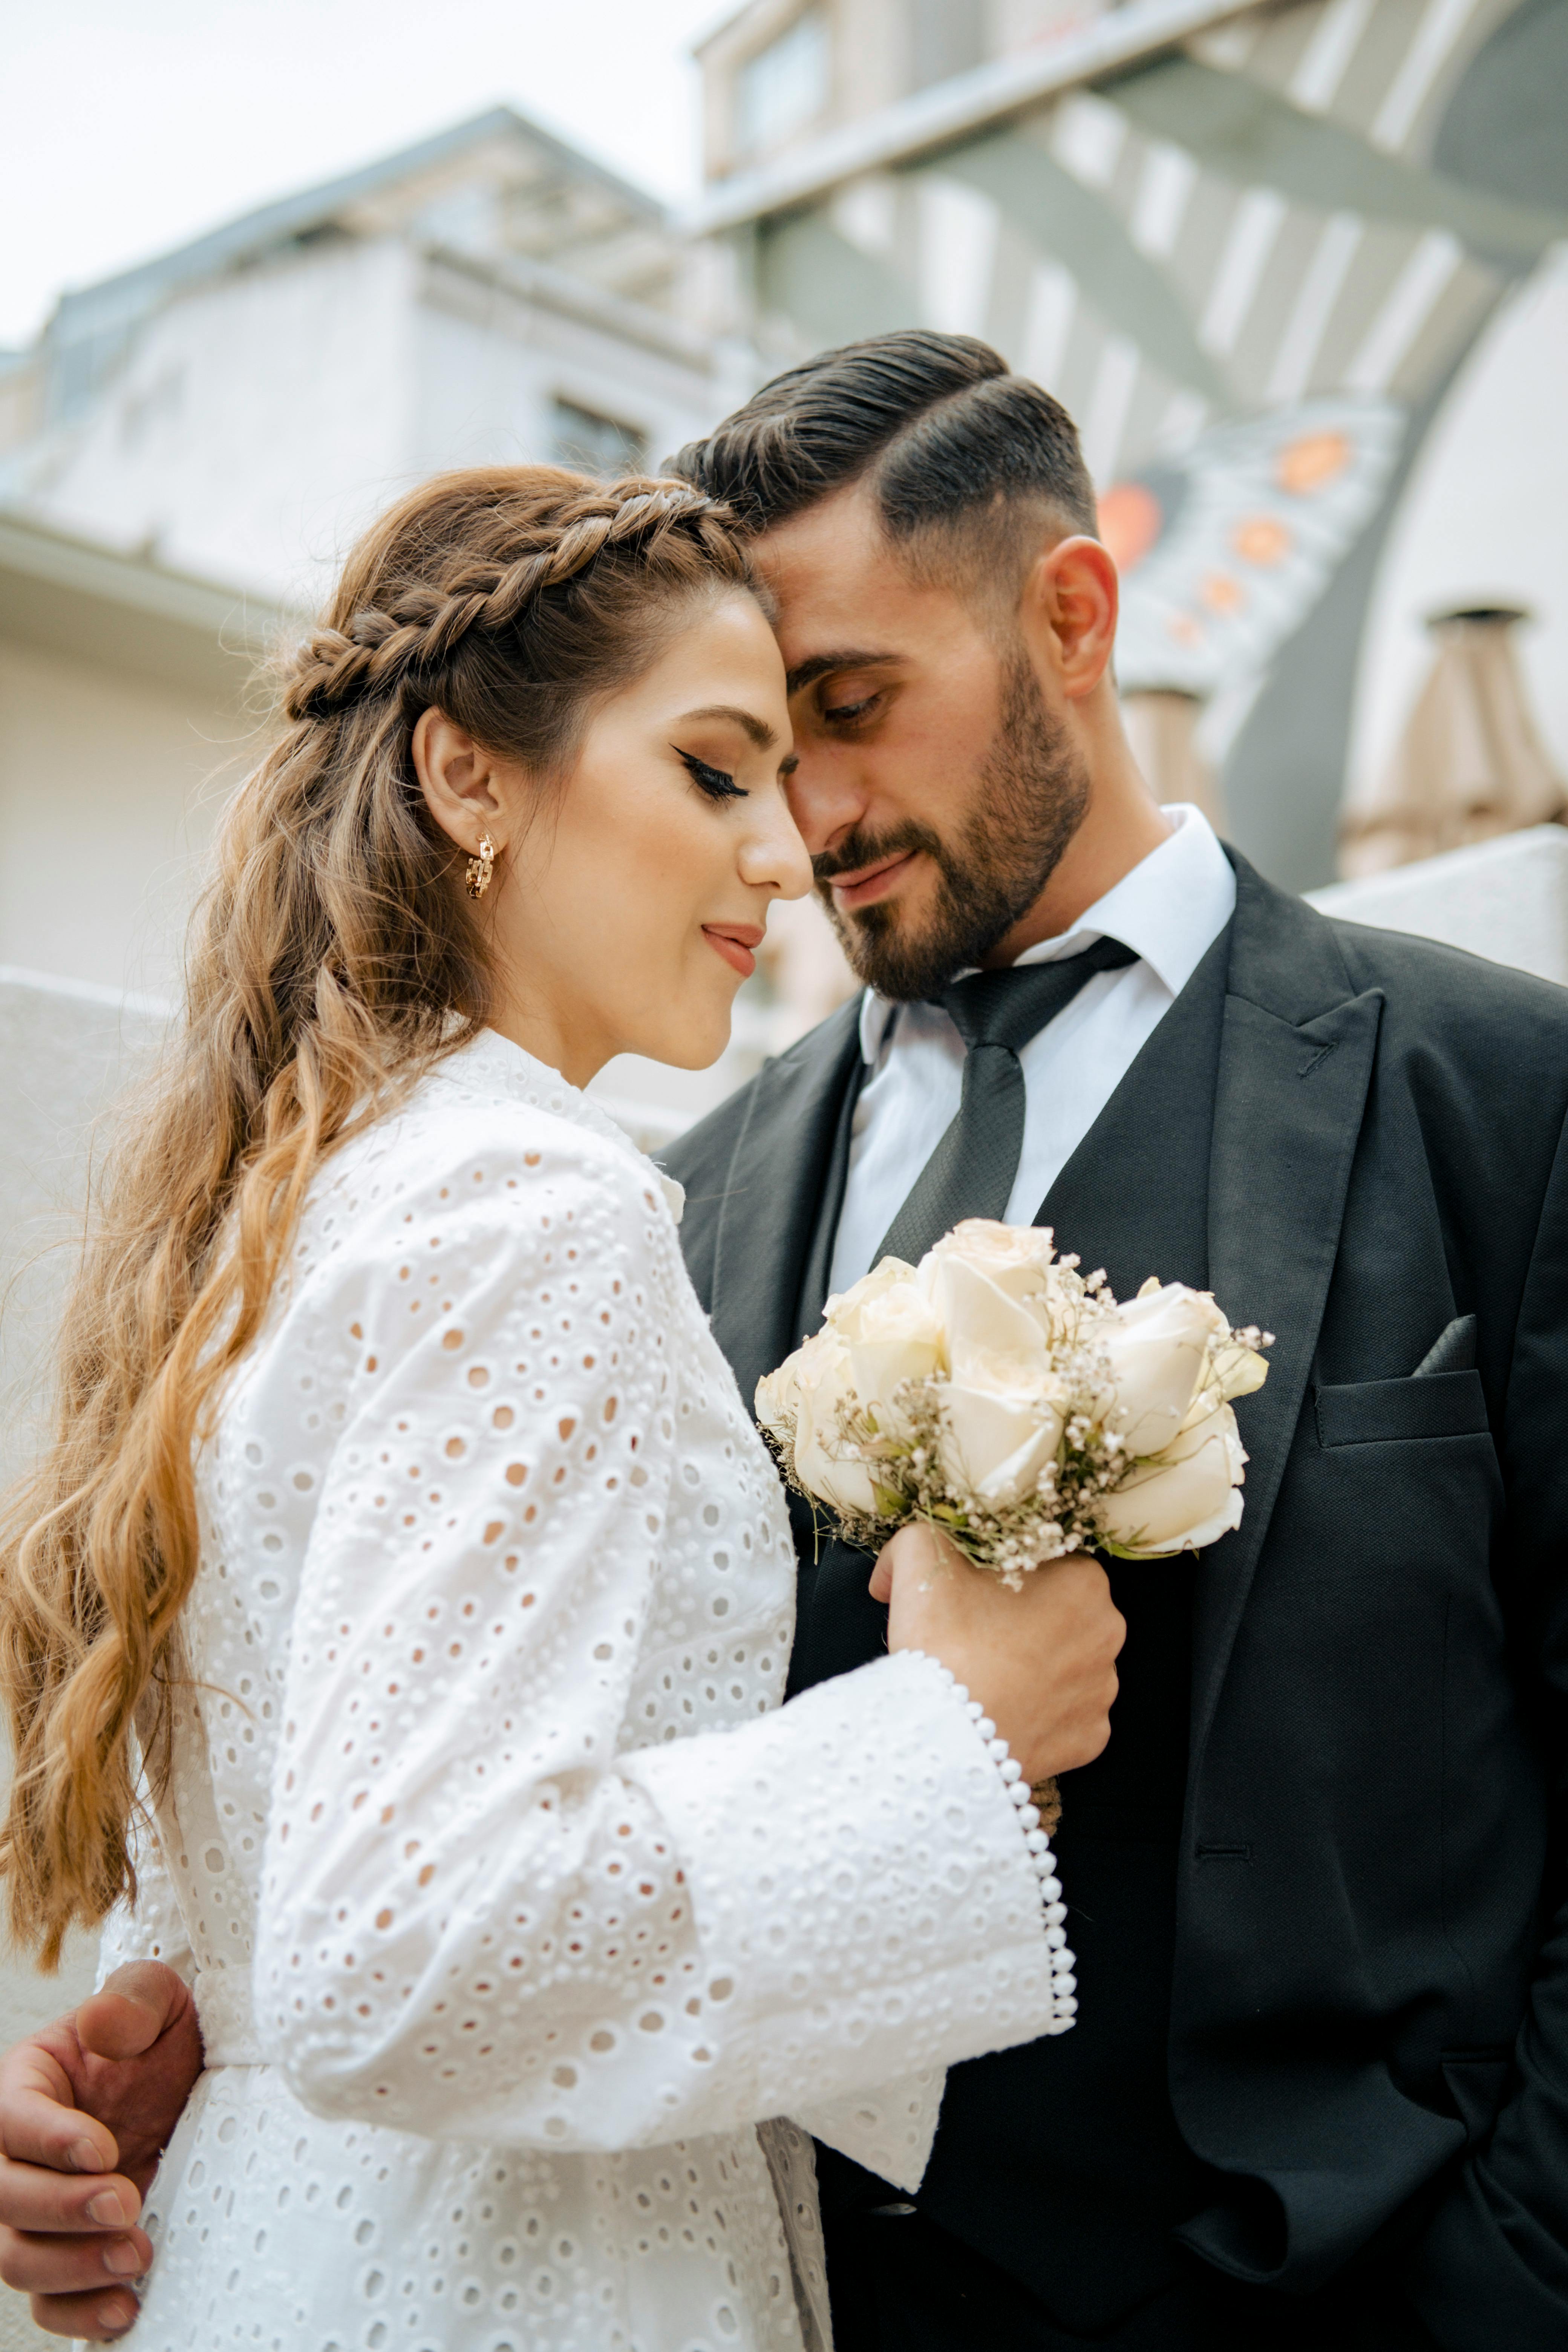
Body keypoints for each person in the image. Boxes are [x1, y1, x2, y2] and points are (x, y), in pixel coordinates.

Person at [4, 335, 1566, 2350]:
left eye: (846, 710)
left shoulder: (1498, 1091)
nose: (806, 824)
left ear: (1073, 618)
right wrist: (218, 2023)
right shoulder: (671, 1174)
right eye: (736, 752)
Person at [0, 462, 1127, 2347]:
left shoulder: (305, 1199)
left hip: (275, 2238)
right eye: (710, 768)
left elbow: (330, 1855)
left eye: (782, 775)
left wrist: (173, 2024)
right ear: (467, 777)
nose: (780, 850)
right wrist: (954, 1737)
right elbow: (410, 1954)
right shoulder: (539, 1206)